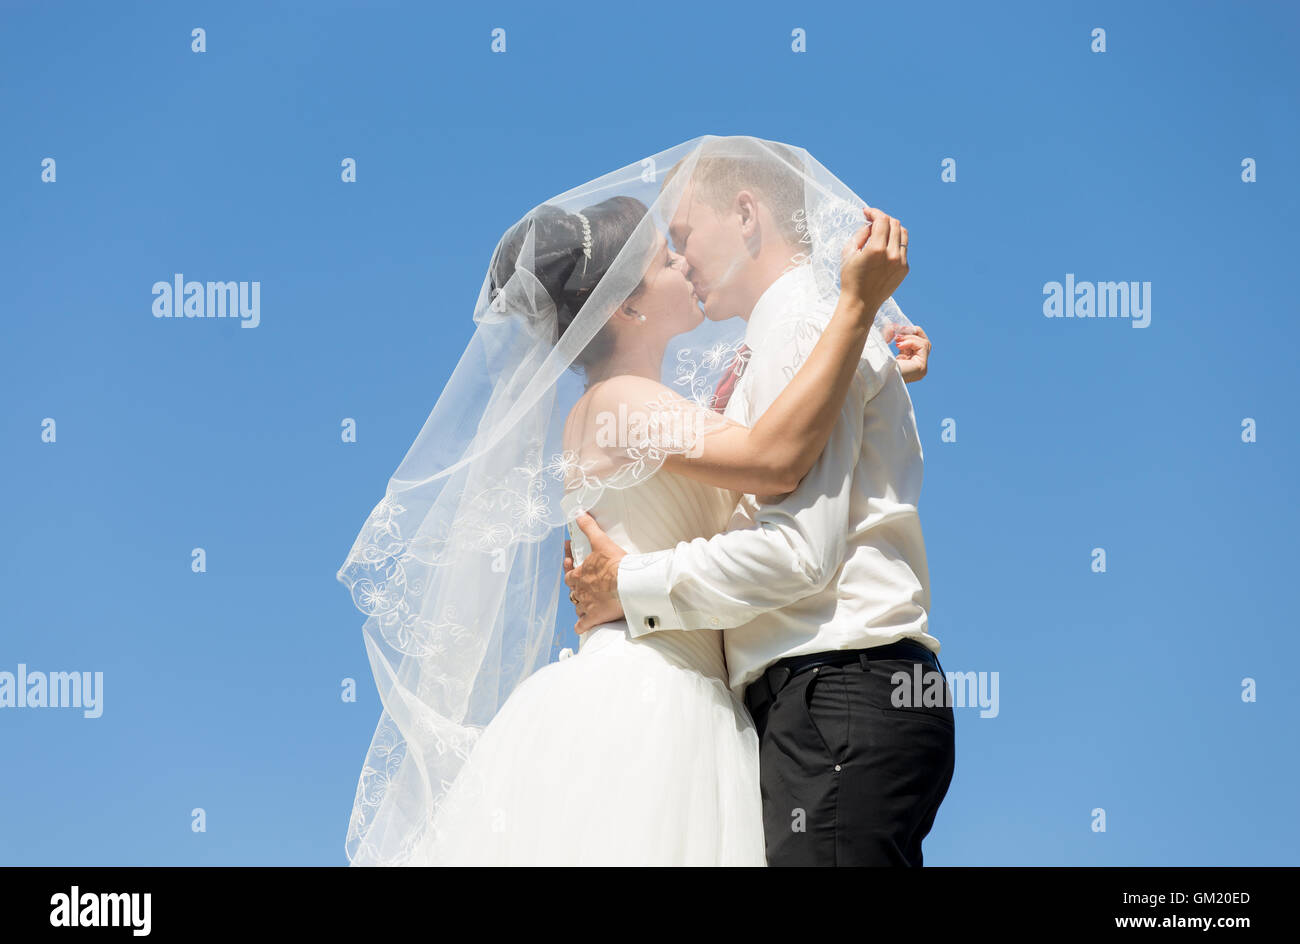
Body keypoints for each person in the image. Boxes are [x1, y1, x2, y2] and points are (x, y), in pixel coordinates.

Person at [337, 135, 926, 865]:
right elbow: (770, 457)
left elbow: (779, 428)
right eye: (663, 259)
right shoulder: (625, 406)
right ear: (627, 310)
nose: (683, 263)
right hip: (655, 697)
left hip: (695, 688)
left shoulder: (647, 407)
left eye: (678, 244)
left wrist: (865, 362)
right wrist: (853, 320)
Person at [565, 136, 954, 866]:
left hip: (835, 680)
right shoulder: (810, 327)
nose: (679, 260)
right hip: (825, 692)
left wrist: (628, 585)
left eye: (681, 236)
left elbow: (798, 554)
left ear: (746, 216)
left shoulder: (807, 325)